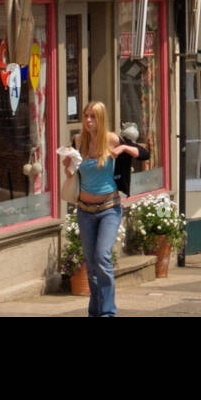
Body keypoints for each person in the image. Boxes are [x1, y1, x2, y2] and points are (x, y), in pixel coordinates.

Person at [65, 102, 140, 317]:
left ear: (101, 118)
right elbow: (72, 174)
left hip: (109, 209)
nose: (88, 120)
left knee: (102, 257)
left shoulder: (112, 139)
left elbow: (142, 152)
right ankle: (95, 311)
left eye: (93, 117)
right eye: (86, 116)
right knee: (91, 264)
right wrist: (67, 166)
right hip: (84, 210)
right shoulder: (78, 142)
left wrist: (124, 148)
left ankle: (107, 312)